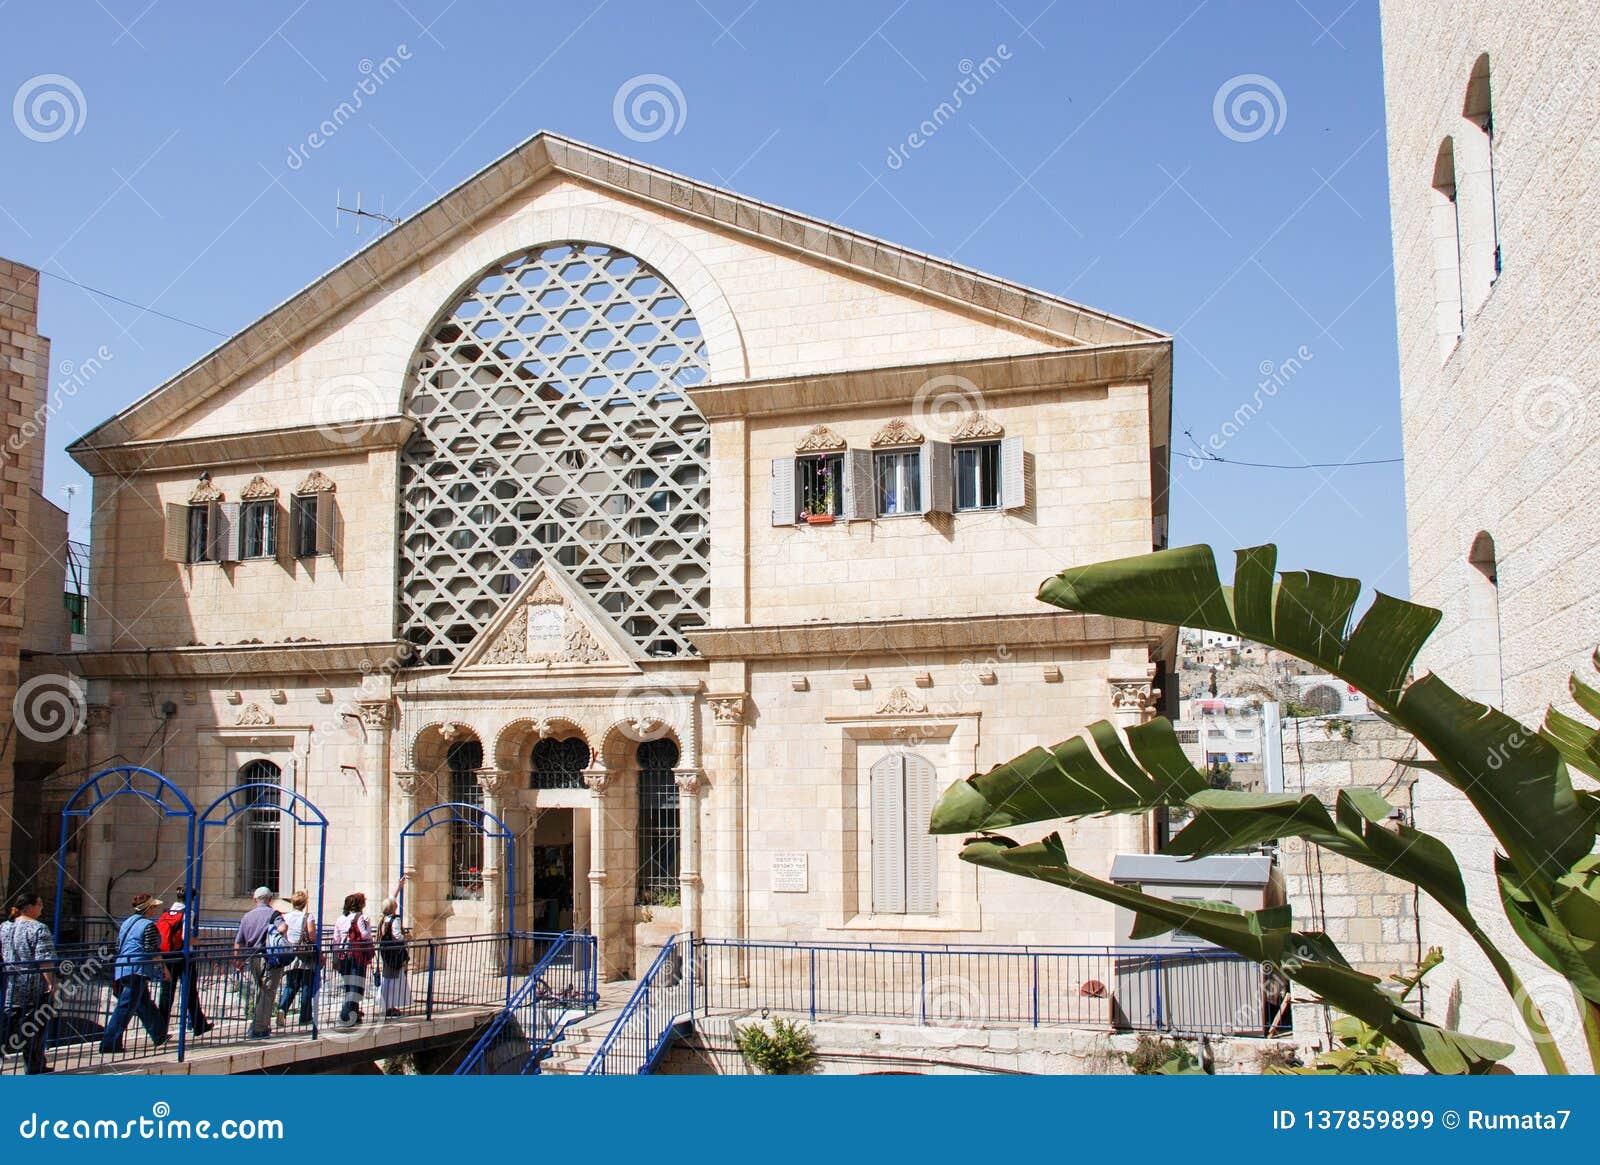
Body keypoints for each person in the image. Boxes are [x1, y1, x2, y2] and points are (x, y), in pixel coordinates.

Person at [100, 892, 169, 1054]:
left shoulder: (127, 922)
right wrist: (163, 969)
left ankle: (159, 1034)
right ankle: (109, 1043)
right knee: (125, 1008)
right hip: (136, 970)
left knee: (145, 1004)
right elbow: (151, 949)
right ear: (148, 909)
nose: (155, 910)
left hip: (123, 967)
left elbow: (119, 945)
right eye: (153, 907)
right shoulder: (148, 926)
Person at [2, 892, 56, 1074]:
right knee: (35, 1027)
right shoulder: (39, 928)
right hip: (33, 985)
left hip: (11, 984)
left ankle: (36, 1063)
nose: (42, 907)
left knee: (8, 1025)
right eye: (40, 904)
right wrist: (50, 984)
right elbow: (45, 959)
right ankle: (34, 1065)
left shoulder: (5, 927)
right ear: (30, 907)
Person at [233, 886, 288, 1040]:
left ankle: (257, 1023)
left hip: (253, 958)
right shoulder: (274, 914)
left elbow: (238, 941)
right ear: (270, 899)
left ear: (255, 899)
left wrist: (237, 960)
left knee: (260, 990)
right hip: (269, 957)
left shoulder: (247, 916)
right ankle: (259, 1028)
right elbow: (283, 927)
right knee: (268, 992)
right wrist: (277, 934)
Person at [154, 894, 212, 1038]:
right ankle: (199, 1025)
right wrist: (199, 942)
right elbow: (185, 937)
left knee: (166, 993)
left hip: (167, 955)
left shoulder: (167, 913)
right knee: (190, 990)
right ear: (191, 899)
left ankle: (160, 1030)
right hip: (183, 956)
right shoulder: (188, 913)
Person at [275, 890, 318, 1027]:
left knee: (291, 985)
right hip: (305, 954)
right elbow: (312, 935)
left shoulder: (285, 917)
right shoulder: (308, 917)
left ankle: (282, 1008)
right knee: (306, 986)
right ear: (304, 903)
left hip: (290, 953)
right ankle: (305, 1017)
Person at [332, 893, 373, 1027]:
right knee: (356, 986)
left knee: (349, 985)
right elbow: (365, 935)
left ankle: (353, 1016)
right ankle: (345, 1016)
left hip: (344, 955)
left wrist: (335, 957)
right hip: (356, 955)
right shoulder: (360, 918)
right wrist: (368, 927)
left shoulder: (340, 919)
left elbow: (336, 939)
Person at [376, 898, 410, 1017]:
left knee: (387, 977)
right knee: (394, 979)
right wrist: (406, 937)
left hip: (385, 951)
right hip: (394, 952)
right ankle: (389, 1007)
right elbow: (397, 936)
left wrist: (400, 886)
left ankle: (386, 1004)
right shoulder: (395, 919)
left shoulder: (383, 918)